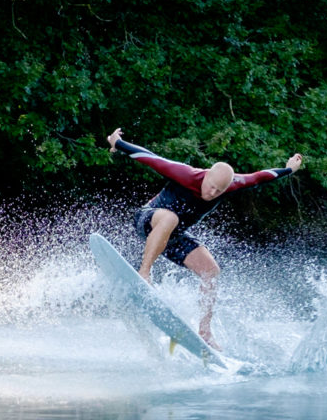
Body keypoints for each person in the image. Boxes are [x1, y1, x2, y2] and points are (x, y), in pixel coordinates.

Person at [106, 127, 303, 351]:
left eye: (219, 191)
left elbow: (260, 177)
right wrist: (117, 143)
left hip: (174, 235)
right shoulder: (187, 174)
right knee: (170, 218)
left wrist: (288, 170)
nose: (212, 193)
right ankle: (144, 272)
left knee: (211, 271)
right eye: (211, 187)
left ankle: (205, 332)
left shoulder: (231, 185)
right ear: (207, 174)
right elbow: (149, 157)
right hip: (148, 220)